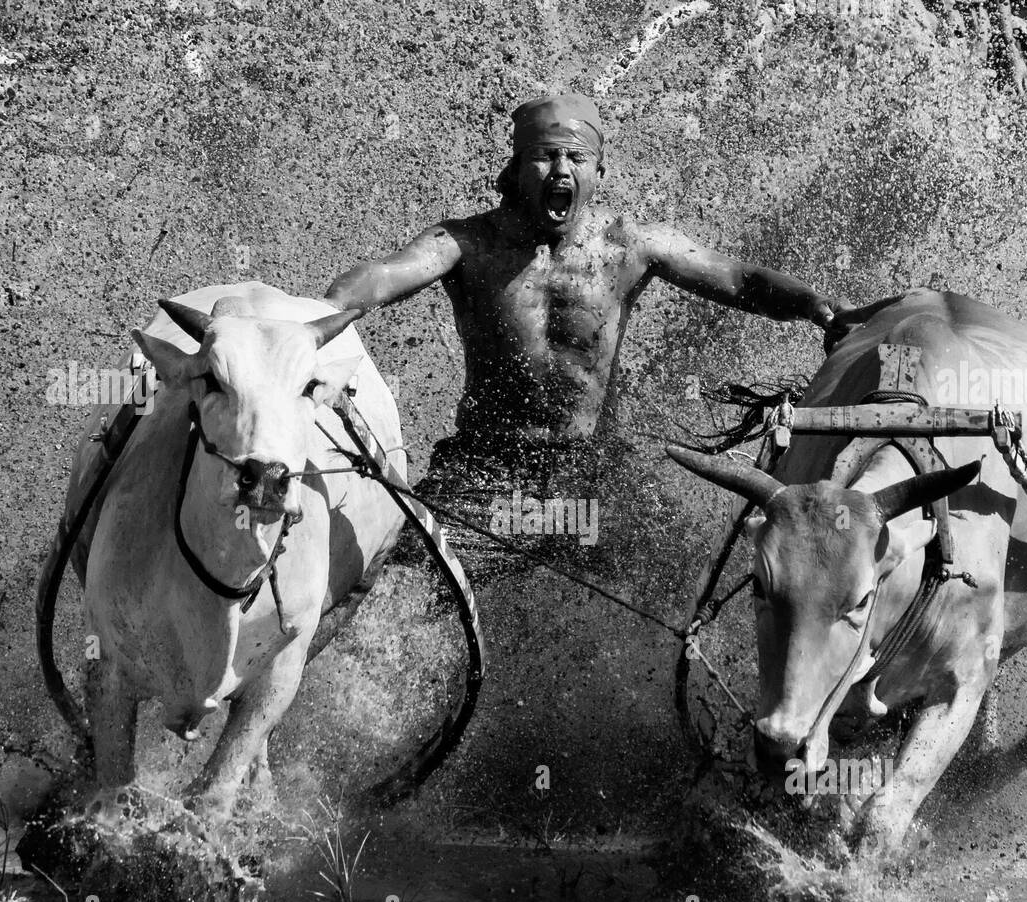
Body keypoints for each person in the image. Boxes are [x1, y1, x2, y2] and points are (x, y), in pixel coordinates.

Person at [325, 93, 841, 584]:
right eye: (545, 156)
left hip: (592, 476)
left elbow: (739, 280)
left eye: (576, 157)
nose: (562, 170)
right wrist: (328, 310)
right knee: (401, 585)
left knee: (681, 582)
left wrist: (815, 306)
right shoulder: (466, 243)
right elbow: (385, 276)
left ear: (598, 171)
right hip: (489, 476)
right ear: (517, 168)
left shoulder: (627, 245)